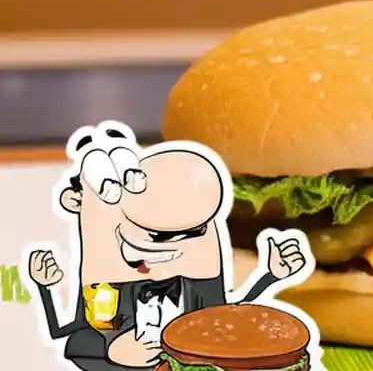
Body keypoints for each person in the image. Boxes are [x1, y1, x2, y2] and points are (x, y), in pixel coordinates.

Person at [27, 124, 309, 370]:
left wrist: (269, 275)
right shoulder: (105, 288)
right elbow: (68, 333)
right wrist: (46, 288)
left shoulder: (197, 278)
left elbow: (227, 315)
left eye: (193, 232)